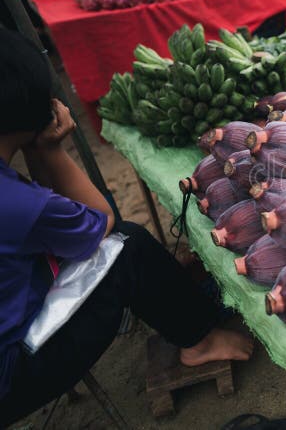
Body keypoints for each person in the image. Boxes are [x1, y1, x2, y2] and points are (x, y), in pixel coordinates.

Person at [0, 29, 256, 426]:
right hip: (13, 376)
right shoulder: (15, 204)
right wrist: (51, 150)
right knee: (128, 246)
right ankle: (199, 339)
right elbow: (100, 223)